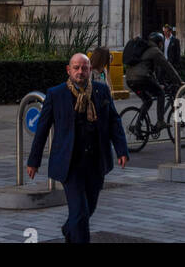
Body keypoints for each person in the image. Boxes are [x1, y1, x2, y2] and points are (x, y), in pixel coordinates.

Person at [26, 52, 128, 243]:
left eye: (84, 68)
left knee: (89, 208)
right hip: (69, 163)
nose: (80, 72)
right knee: (80, 212)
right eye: (76, 68)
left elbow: (114, 121)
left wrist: (122, 149)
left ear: (90, 70)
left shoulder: (101, 91)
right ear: (69, 70)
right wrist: (34, 161)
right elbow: (42, 130)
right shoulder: (56, 94)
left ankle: (69, 228)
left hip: (96, 162)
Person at [124, 32, 182, 134]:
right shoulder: (155, 51)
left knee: (148, 100)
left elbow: (150, 71)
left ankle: (137, 126)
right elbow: (168, 67)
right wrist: (179, 81)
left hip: (130, 80)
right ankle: (160, 121)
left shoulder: (143, 50)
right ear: (159, 43)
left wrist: (158, 83)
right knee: (160, 93)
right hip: (141, 79)